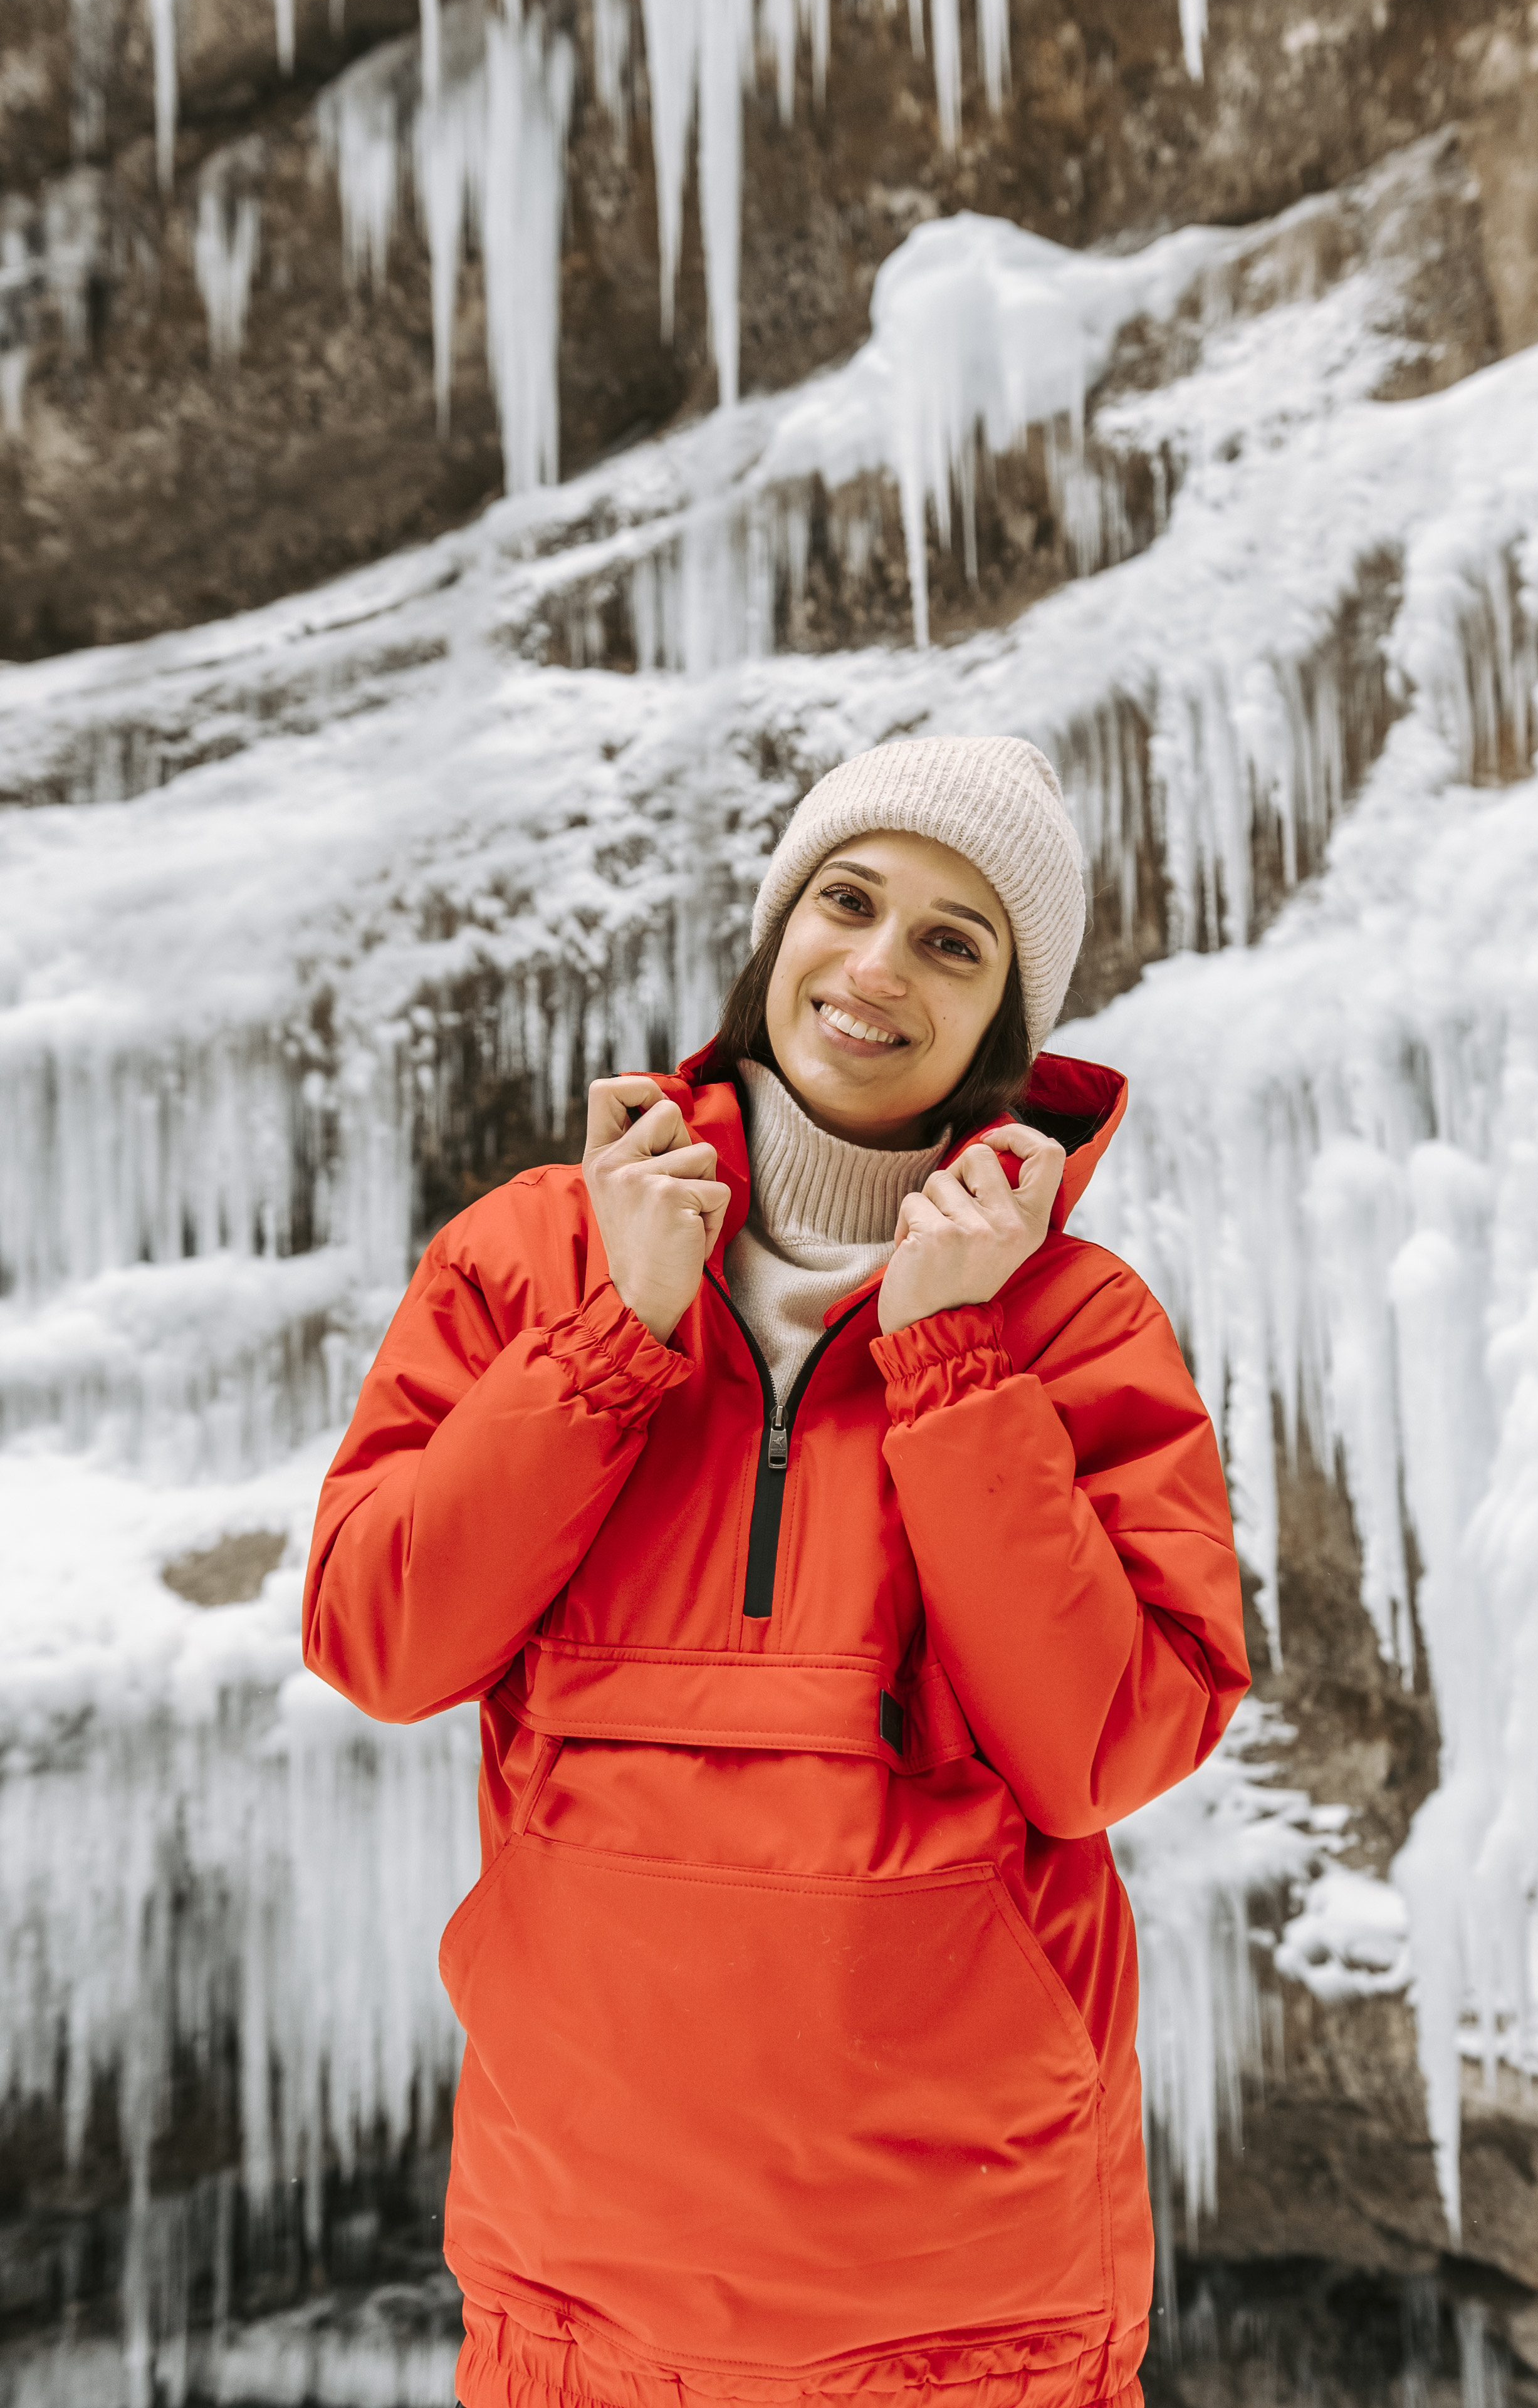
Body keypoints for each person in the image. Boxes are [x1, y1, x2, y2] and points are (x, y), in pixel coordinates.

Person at [304, 735, 1248, 2408]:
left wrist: (950, 1355)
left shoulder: (1074, 1325)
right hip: (579, 2292)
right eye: (850, 901)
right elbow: (379, 1638)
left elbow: (1101, 1749)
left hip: (965, 2313)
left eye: (953, 943)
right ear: (778, 927)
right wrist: (617, 1334)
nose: (878, 968)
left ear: (1004, 1024)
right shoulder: (535, 1255)